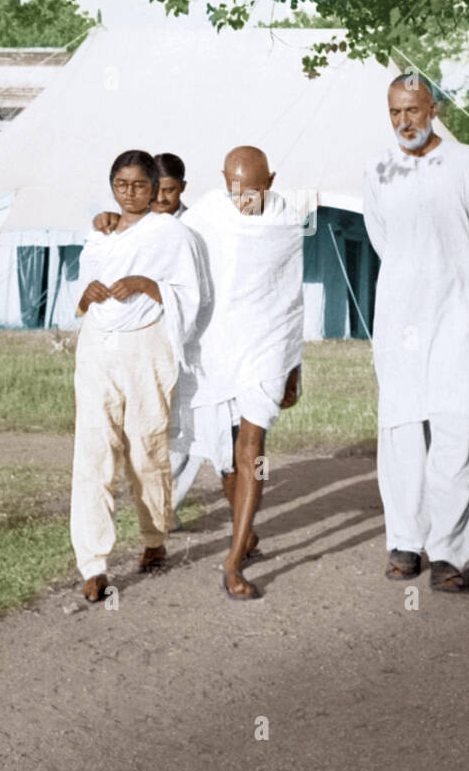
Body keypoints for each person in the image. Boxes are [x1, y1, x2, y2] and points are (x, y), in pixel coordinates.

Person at [363, 74, 469, 593]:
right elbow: (380, 237)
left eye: (414, 111)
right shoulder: (378, 169)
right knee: (401, 428)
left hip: (458, 312)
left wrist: (449, 272)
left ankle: (451, 553)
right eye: (395, 112)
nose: (404, 122)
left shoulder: (467, 162)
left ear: (434, 109)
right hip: (401, 316)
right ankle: (404, 539)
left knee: (463, 423)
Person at [71, 150, 206, 603]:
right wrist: (85, 294)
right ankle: (93, 564)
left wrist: (148, 285)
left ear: (155, 189)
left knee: (146, 446)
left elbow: (196, 296)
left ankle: (153, 537)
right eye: (121, 184)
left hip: (146, 345)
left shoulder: (173, 234)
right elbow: (82, 284)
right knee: (94, 450)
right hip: (97, 347)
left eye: (139, 186)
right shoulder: (100, 233)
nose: (129, 193)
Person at [181, 146, 304, 600]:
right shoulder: (205, 216)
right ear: (221, 181)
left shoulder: (289, 223)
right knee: (226, 455)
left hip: (268, 347)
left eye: (250, 191)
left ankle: (233, 562)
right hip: (217, 347)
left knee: (251, 448)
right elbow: (170, 255)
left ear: (270, 181)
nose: (241, 200)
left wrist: (294, 364)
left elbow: (291, 299)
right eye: (233, 189)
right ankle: (245, 533)